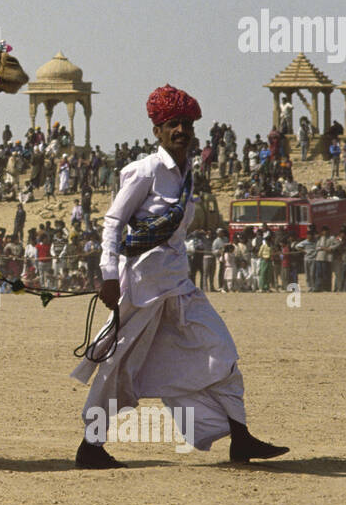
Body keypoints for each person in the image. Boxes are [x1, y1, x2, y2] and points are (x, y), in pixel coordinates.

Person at [71, 85, 288, 468]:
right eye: (173, 124)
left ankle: (240, 437)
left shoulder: (188, 174)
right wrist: (108, 275)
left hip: (178, 286)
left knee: (219, 351)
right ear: (157, 130)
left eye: (186, 124)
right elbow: (113, 223)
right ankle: (91, 447)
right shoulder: (145, 171)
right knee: (116, 366)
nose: (181, 131)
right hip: (140, 289)